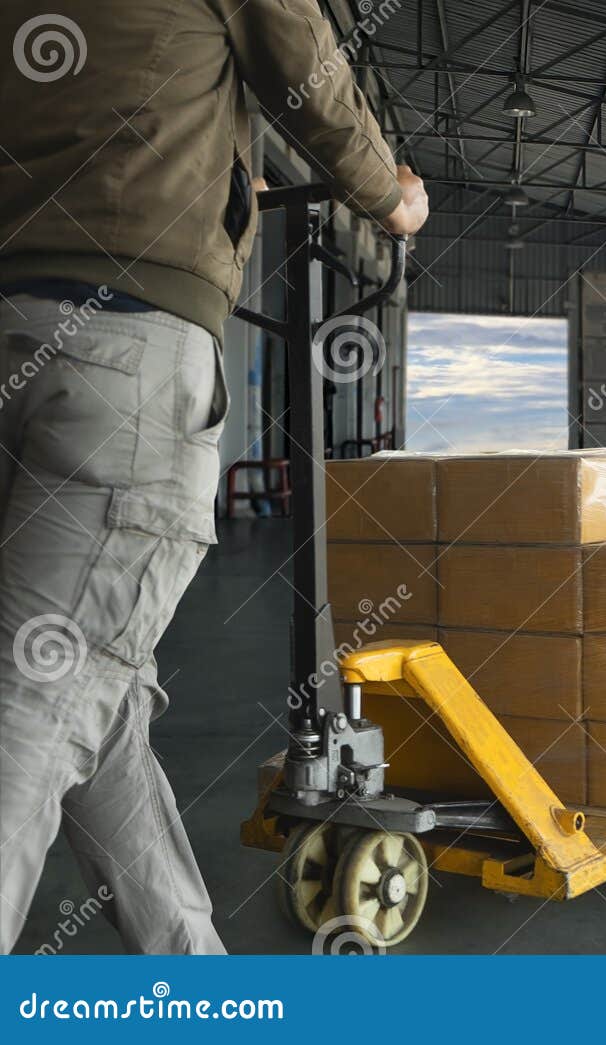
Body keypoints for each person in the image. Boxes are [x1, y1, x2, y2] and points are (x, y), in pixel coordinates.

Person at [0, 0, 429, 954]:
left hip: (17, 324)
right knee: (38, 700)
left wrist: (225, 165)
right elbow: (305, 69)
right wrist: (391, 199)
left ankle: (193, 977)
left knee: (85, 690)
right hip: (126, 345)